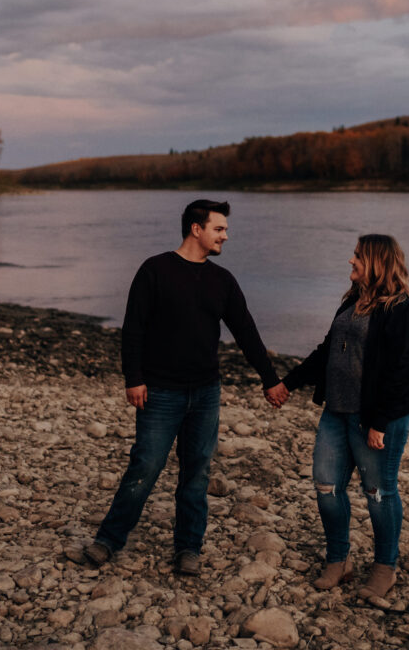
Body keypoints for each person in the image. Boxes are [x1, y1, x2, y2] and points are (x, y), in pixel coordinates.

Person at [79, 199, 284, 575]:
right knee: (145, 466)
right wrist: (133, 378)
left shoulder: (222, 280)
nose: (226, 236)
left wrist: (270, 379)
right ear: (196, 229)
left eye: (225, 229)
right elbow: (134, 328)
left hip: (206, 393)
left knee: (197, 472)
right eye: (219, 229)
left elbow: (246, 331)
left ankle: (188, 547)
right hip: (160, 392)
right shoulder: (155, 270)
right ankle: (107, 540)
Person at [265, 233, 409, 601]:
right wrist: (288, 383)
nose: (351, 261)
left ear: (377, 262)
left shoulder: (404, 312)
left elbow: (402, 374)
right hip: (336, 412)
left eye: (357, 256)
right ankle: (339, 560)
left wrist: (380, 424)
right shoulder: (353, 302)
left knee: (379, 492)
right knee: (326, 487)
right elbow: (327, 351)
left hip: (377, 418)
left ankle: (385, 568)